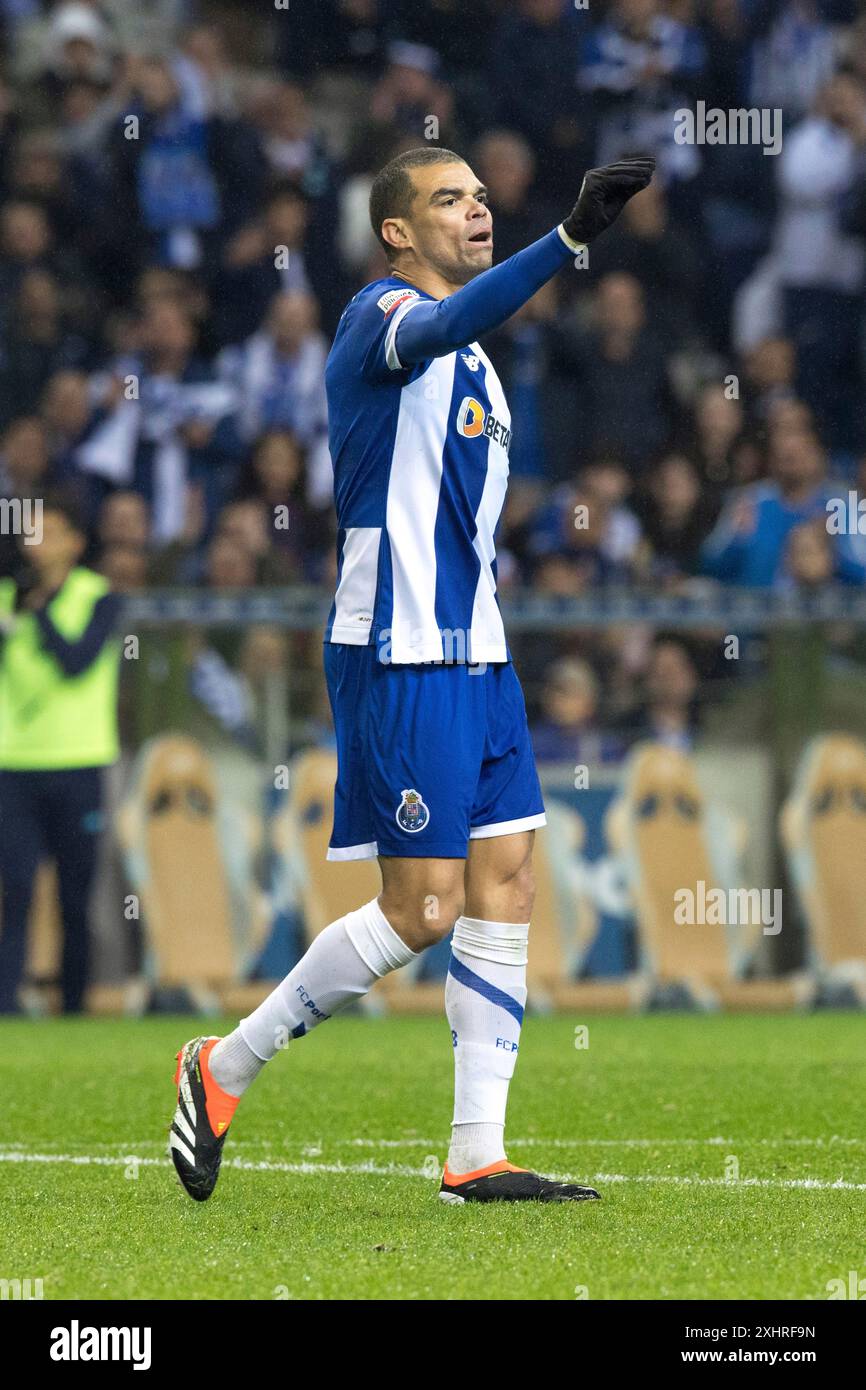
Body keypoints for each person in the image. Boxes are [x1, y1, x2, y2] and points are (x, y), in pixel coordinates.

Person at [170, 145, 654, 1205]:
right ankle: (222, 1066)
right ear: (396, 227)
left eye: (482, 198)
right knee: (422, 906)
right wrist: (567, 239)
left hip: (477, 647)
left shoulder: (478, 361)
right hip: (397, 643)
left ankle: (475, 1150)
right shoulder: (376, 317)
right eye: (449, 199)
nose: (475, 211)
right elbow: (440, 323)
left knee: (507, 880)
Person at [0, 489, 122, 1013]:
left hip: (79, 762)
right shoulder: (6, 594)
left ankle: (74, 1007)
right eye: (32, 531)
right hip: (15, 765)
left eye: (50, 531)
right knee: (17, 892)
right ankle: (7, 1004)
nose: (38, 541)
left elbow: (76, 661)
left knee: (76, 895)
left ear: (74, 542)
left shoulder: (100, 596)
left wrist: (41, 610)